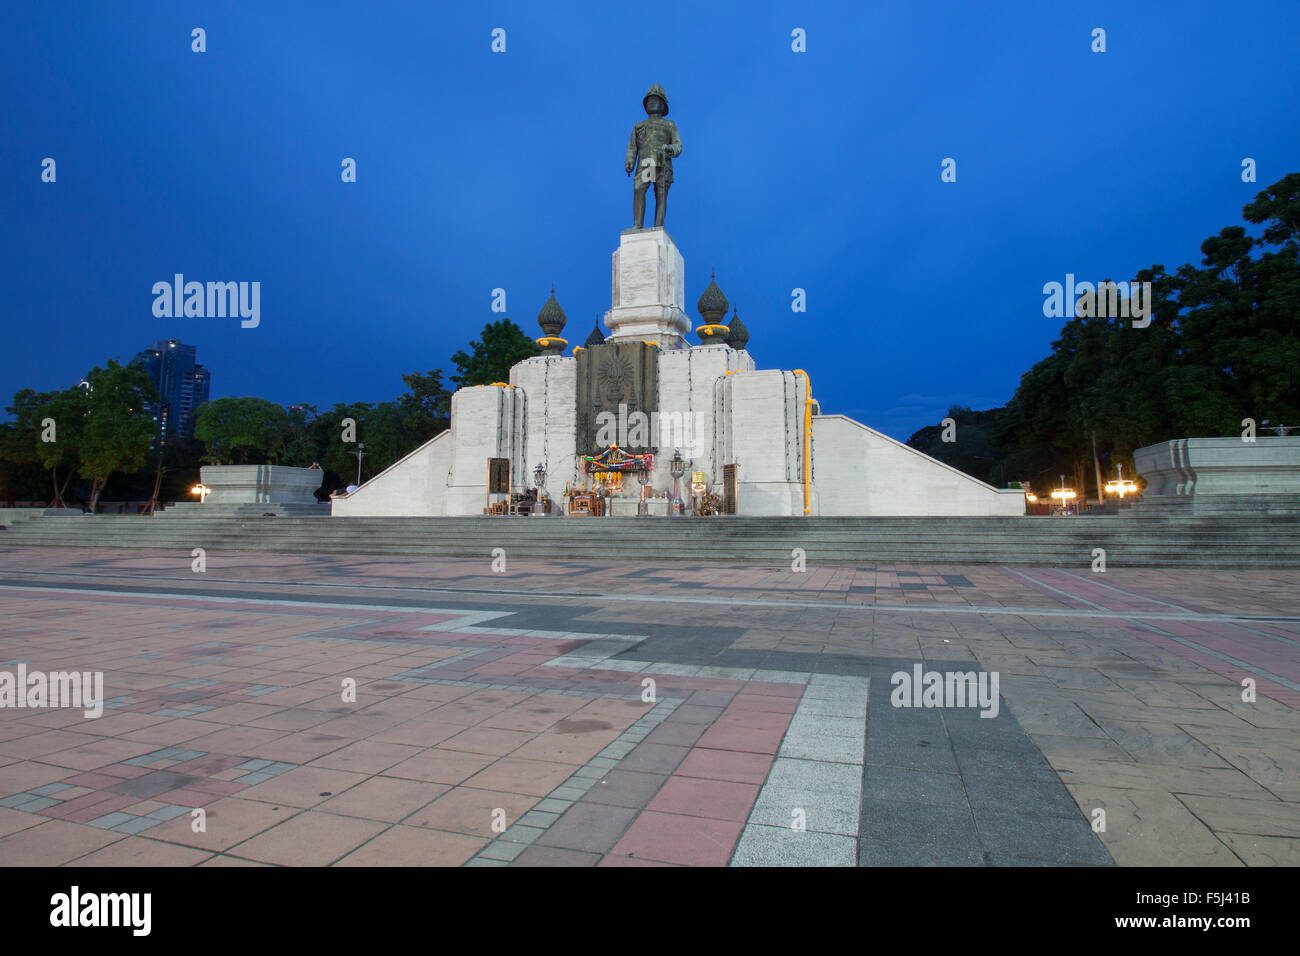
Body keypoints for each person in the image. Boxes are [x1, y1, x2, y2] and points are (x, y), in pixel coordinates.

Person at [625, 84, 682, 229]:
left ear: (662, 105)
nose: (651, 102)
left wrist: (670, 149)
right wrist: (630, 160)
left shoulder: (669, 125)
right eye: (649, 100)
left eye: (656, 100)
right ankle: (637, 225)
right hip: (646, 163)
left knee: (660, 194)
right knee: (639, 188)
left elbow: (678, 145)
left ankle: (658, 226)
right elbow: (633, 147)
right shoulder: (639, 126)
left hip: (662, 163)